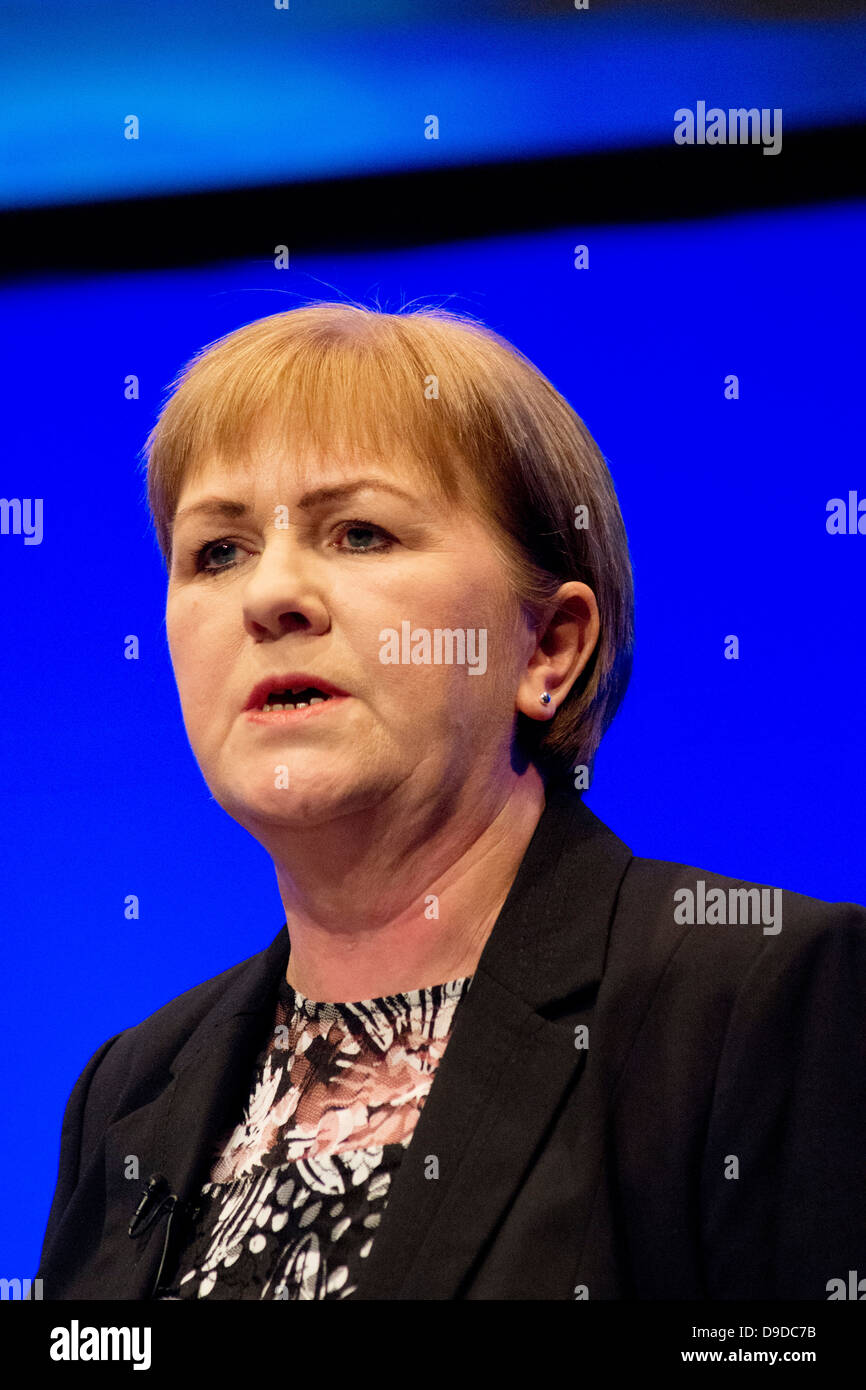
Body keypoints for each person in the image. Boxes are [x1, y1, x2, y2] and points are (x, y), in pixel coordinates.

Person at [36, 301, 866, 1301]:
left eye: (359, 532)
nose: (270, 595)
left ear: (546, 649)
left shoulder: (759, 1001)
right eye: (218, 549)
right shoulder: (129, 1090)